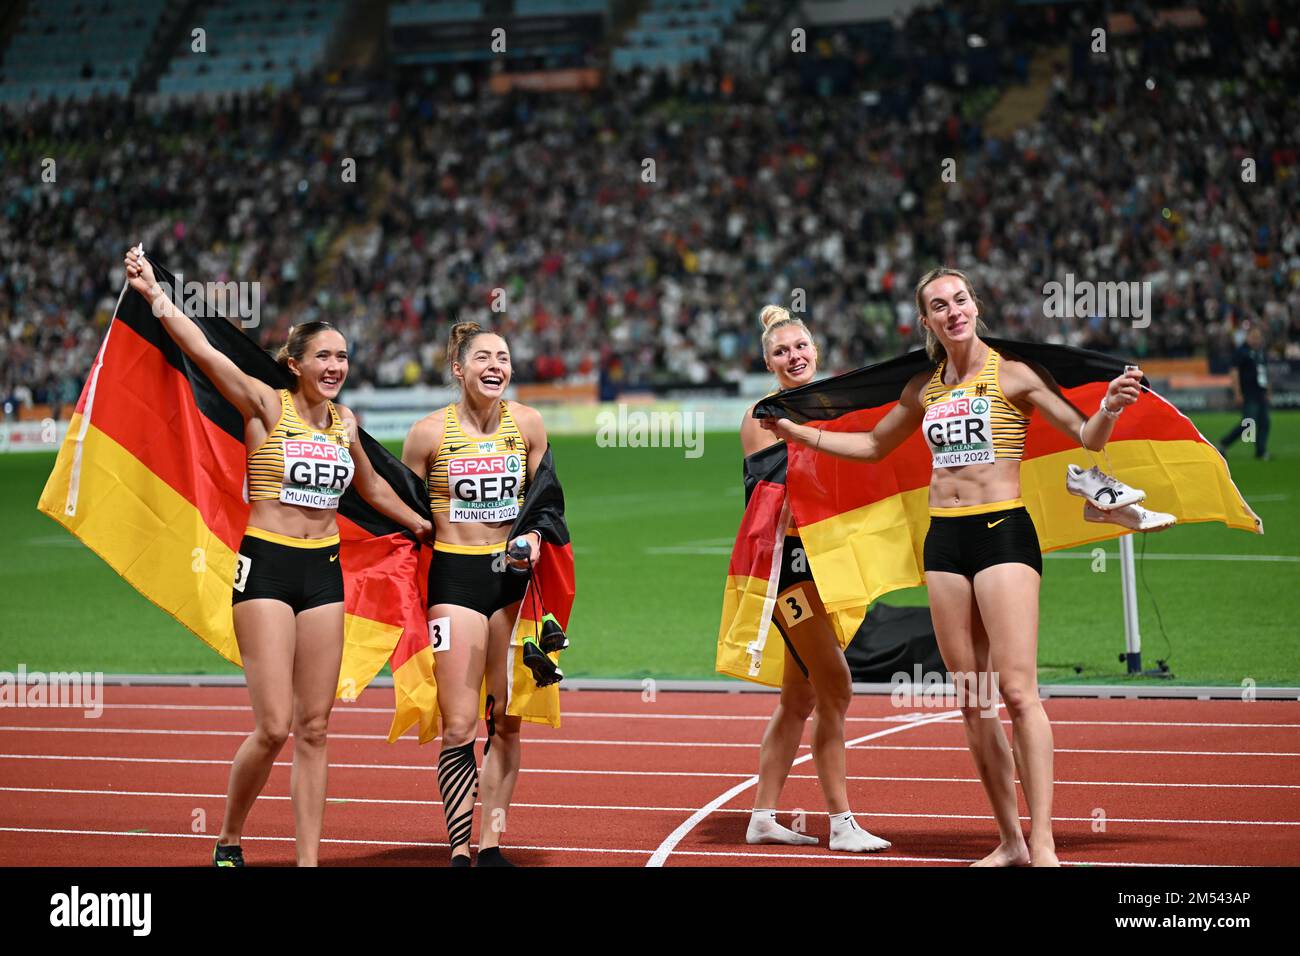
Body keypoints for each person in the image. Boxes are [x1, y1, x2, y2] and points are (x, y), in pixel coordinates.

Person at [762, 268, 1143, 866]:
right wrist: (796, 432)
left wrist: (1112, 410)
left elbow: (1086, 437)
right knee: (971, 698)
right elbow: (871, 447)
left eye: (960, 300)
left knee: (1018, 692)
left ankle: (1043, 844)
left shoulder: (1014, 374)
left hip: (1001, 532)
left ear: (975, 306)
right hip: (945, 541)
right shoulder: (925, 386)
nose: (953, 312)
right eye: (939, 306)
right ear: (928, 322)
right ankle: (1010, 842)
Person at [122, 247, 433, 867]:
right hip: (265, 569)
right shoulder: (267, 404)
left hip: (322, 574)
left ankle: (308, 861)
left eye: (343, 356)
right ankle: (229, 837)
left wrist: (423, 524)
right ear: (295, 364)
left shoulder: (345, 422)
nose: (336, 365)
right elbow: (204, 352)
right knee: (273, 726)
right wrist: (155, 293)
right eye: (324, 355)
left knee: (315, 728)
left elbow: (369, 489)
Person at [739, 306, 890, 853]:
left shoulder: (832, 405)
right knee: (837, 688)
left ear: (816, 350)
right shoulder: (763, 415)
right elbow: (780, 490)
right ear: (768, 362)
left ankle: (761, 817)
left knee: (796, 701)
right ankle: (842, 822)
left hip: (832, 565)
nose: (793, 357)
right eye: (781, 352)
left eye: (800, 347)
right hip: (790, 571)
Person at [402, 322, 549, 867]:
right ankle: (458, 847)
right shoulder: (426, 435)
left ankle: (490, 844)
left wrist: (533, 537)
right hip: (454, 580)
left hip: (511, 583)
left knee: (507, 719)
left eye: (504, 357)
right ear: (458, 369)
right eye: (483, 357)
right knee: (460, 723)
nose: (496, 366)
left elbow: (547, 503)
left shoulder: (529, 425)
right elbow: (401, 512)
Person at [1219, 325, 1271, 461]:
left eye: (1258, 337)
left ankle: (1261, 452)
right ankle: (1224, 443)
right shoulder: (1241, 352)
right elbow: (1234, 372)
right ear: (1247, 337)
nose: (1256, 340)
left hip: (1260, 393)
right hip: (1248, 393)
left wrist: (1268, 390)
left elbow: (1264, 373)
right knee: (1249, 423)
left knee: (1264, 422)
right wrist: (1237, 393)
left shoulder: (1260, 353)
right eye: (1254, 337)